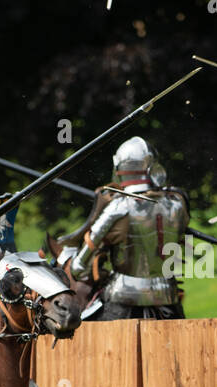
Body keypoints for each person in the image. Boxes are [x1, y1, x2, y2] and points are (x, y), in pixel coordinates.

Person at [66, 136, 189, 321]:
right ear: (152, 167)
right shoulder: (177, 205)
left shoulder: (118, 207)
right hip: (167, 298)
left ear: (120, 168)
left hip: (123, 299)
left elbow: (78, 267)